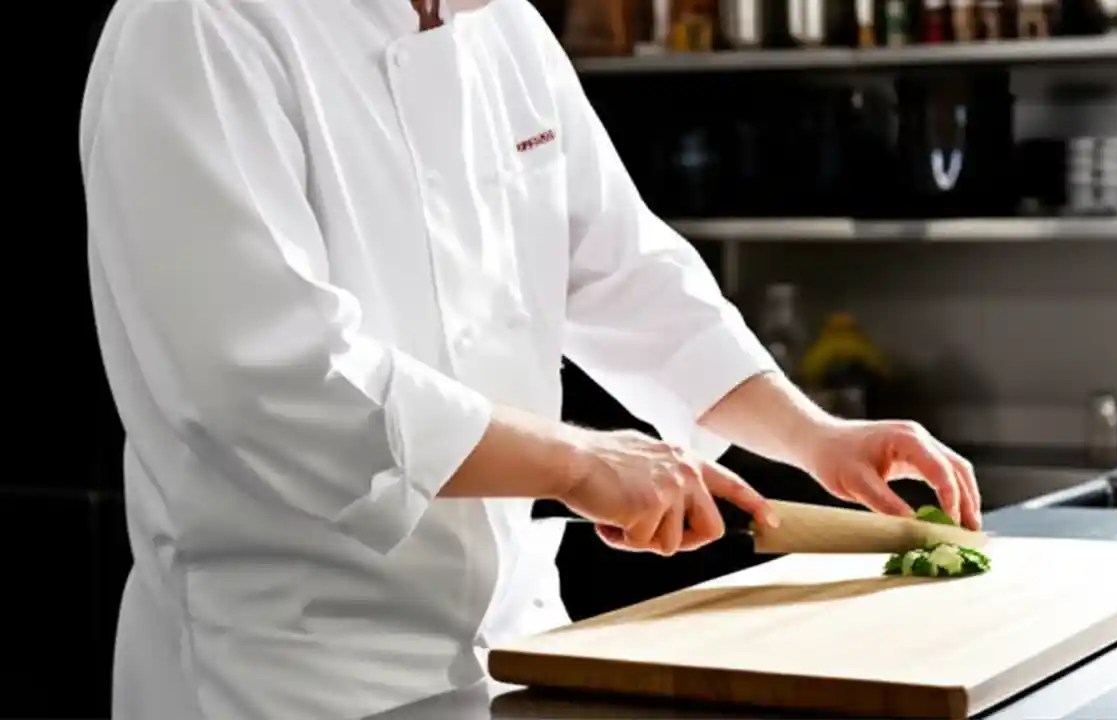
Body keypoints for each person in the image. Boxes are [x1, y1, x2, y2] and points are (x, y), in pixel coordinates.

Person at [79, 0, 981, 717]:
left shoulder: (501, 24)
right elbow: (264, 379)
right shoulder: (200, 23)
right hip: (295, 675)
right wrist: (579, 461)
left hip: (519, 654)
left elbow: (624, 271)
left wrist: (813, 436)